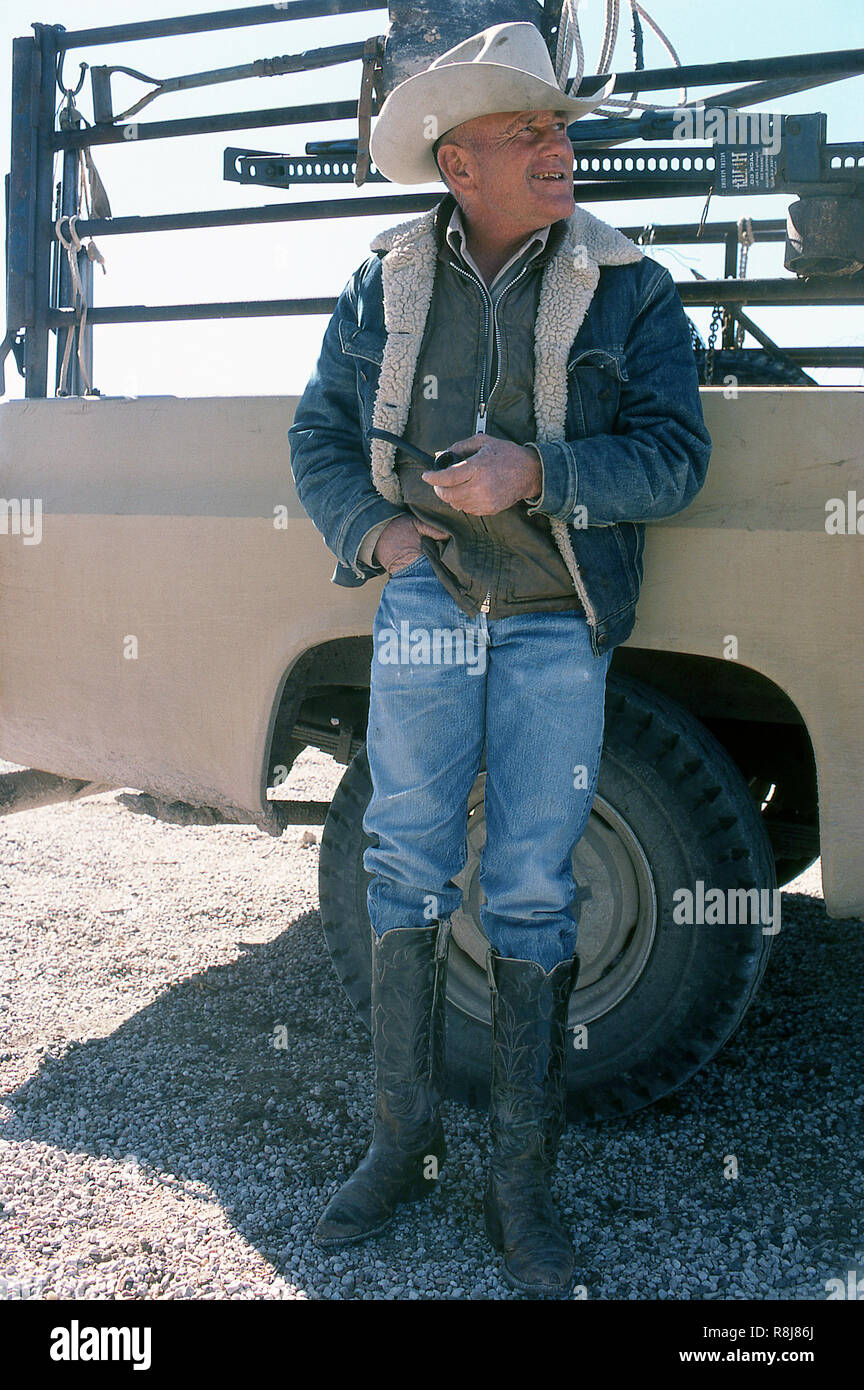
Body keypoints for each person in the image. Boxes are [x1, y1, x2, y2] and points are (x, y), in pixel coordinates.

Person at [288, 21, 711, 1297]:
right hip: (424, 611)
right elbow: (318, 436)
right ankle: (397, 1148)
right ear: (456, 162)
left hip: (549, 623)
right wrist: (379, 536)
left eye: (561, 126)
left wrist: (545, 471)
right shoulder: (383, 282)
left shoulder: (628, 285)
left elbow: (677, 457)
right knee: (406, 860)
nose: (559, 146)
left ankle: (519, 1183)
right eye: (527, 131)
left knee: (530, 885)